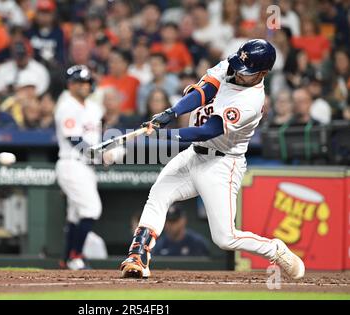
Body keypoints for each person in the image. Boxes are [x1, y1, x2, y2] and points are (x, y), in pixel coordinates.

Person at [120, 39, 305, 280]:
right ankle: (138, 255)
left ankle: (274, 249)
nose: (238, 73)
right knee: (158, 194)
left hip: (222, 164)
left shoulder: (251, 101)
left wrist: (162, 135)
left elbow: (208, 130)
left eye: (246, 71)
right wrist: (170, 113)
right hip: (195, 154)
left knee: (225, 238)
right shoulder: (232, 64)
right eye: (239, 65)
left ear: (263, 73)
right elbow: (203, 91)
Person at [55, 65, 119, 270]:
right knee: (91, 209)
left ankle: (66, 258)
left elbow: (100, 137)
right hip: (71, 163)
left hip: (87, 167)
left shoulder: (94, 109)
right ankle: (76, 257)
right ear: (70, 85)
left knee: (75, 215)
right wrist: (100, 156)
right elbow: (74, 138)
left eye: (86, 82)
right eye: (78, 82)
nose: (83, 86)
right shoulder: (66, 106)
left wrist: (110, 154)